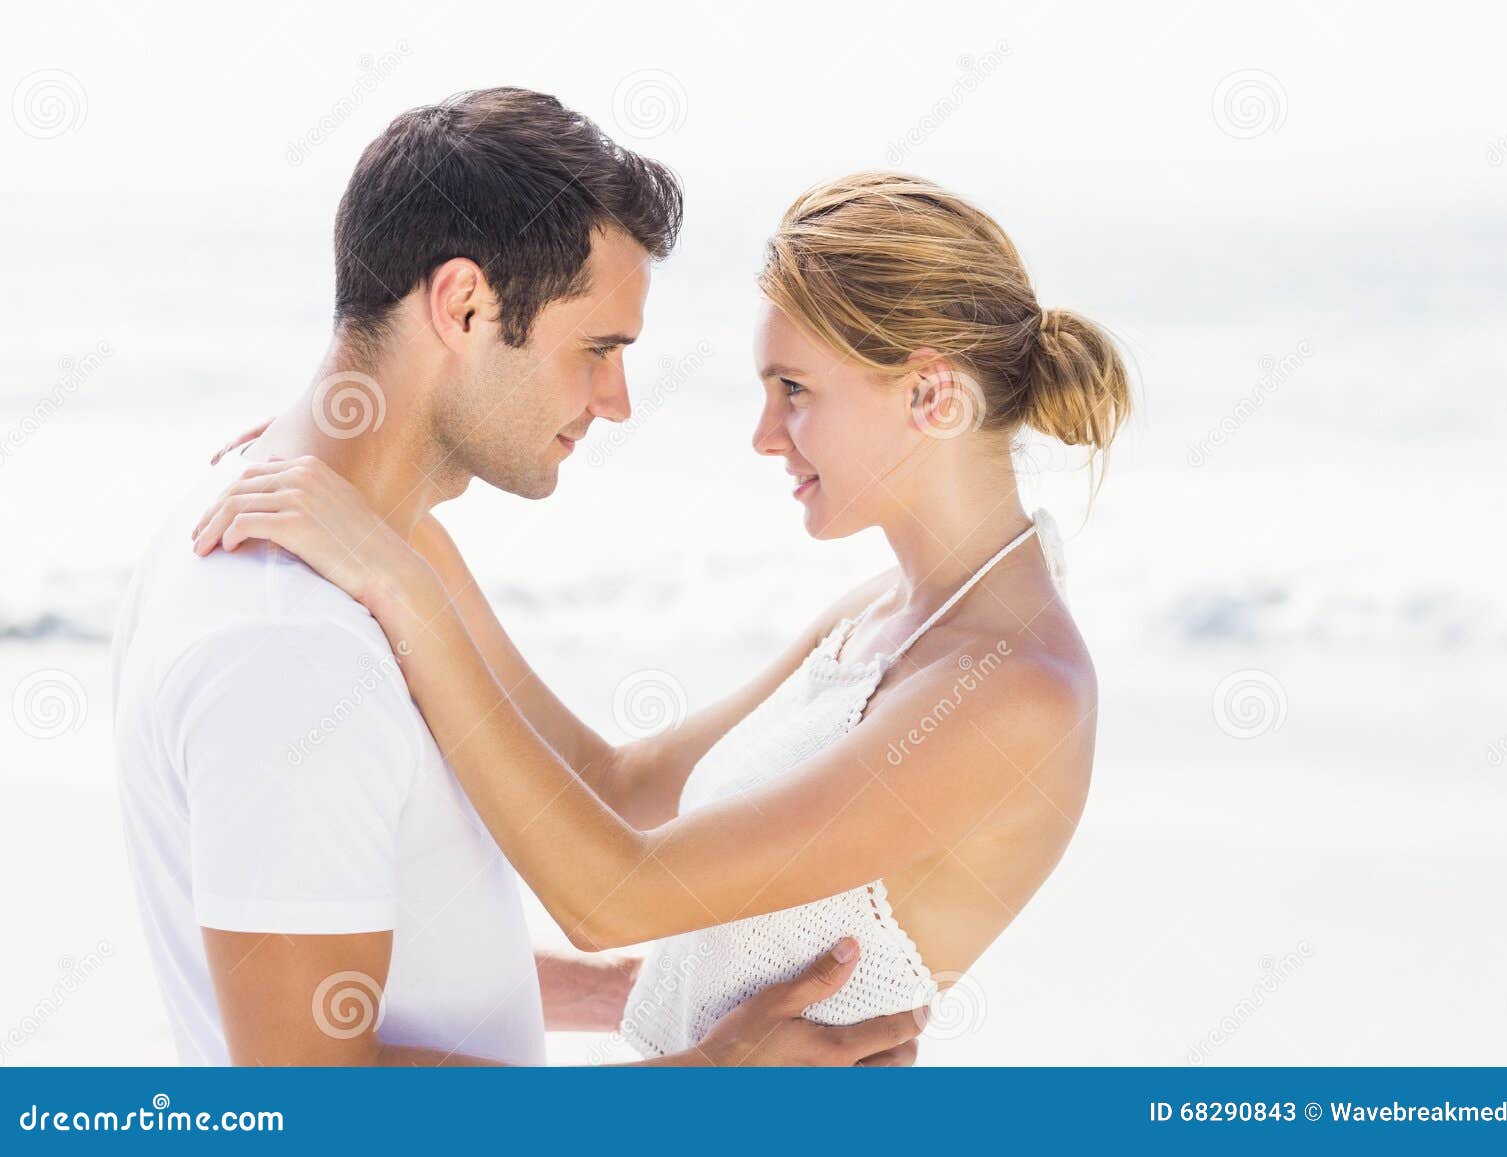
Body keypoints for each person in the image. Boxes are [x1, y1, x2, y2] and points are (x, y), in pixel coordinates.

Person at [192, 169, 1131, 1058]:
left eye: (795, 391)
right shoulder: (886, 615)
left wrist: (398, 584)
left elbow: (612, 895)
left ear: (932, 394)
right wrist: (390, 502)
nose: (764, 435)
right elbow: (620, 785)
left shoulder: (1015, 693)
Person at [111, 88, 922, 1067]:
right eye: (598, 350)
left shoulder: (341, 534)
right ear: (463, 305)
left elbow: (354, 945)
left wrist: (635, 996)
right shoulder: (292, 646)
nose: (617, 401)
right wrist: (705, 1080)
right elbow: (308, 1095)